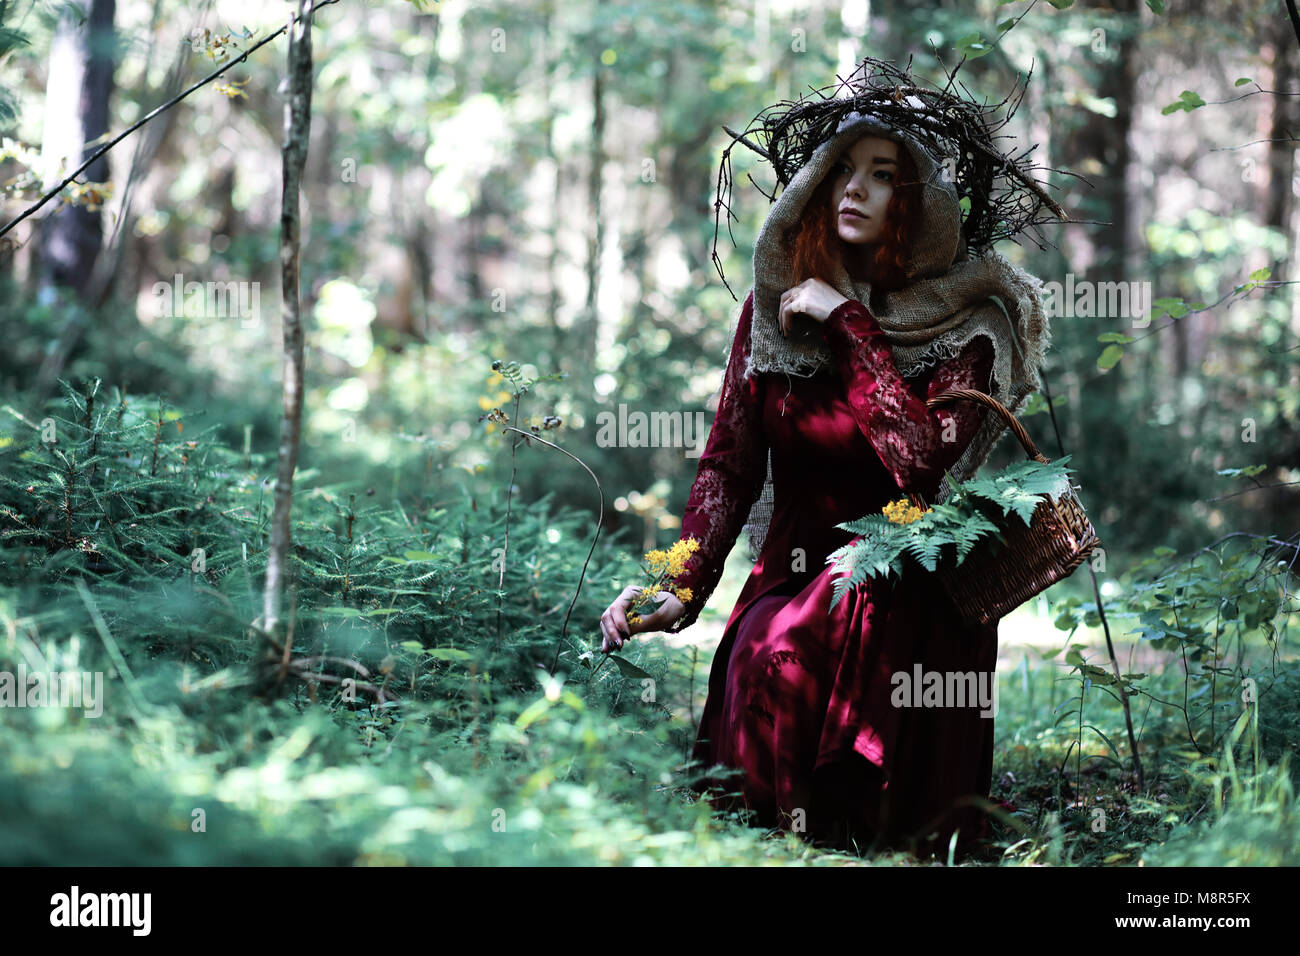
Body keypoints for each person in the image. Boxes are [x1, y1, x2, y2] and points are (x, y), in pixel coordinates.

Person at [599, 66, 1053, 857]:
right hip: (795, 564)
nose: (856, 189)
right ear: (813, 184)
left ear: (914, 203)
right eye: (843, 169)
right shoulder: (773, 311)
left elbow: (918, 467)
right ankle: (770, 843)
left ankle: (859, 830)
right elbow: (727, 470)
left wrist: (848, 324)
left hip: (912, 580)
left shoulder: (969, 324)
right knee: (757, 650)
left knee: (802, 637)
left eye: (883, 176)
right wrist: (675, 582)